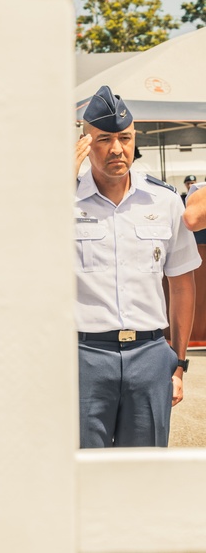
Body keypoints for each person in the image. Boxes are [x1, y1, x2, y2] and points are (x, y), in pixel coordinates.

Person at [73, 86, 198, 449]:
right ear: (85, 143)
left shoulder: (164, 200)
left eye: (124, 138)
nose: (116, 149)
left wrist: (178, 361)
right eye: (104, 139)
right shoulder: (61, 200)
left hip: (150, 355)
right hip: (84, 357)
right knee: (82, 473)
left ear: (134, 138)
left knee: (145, 474)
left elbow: (182, 284)